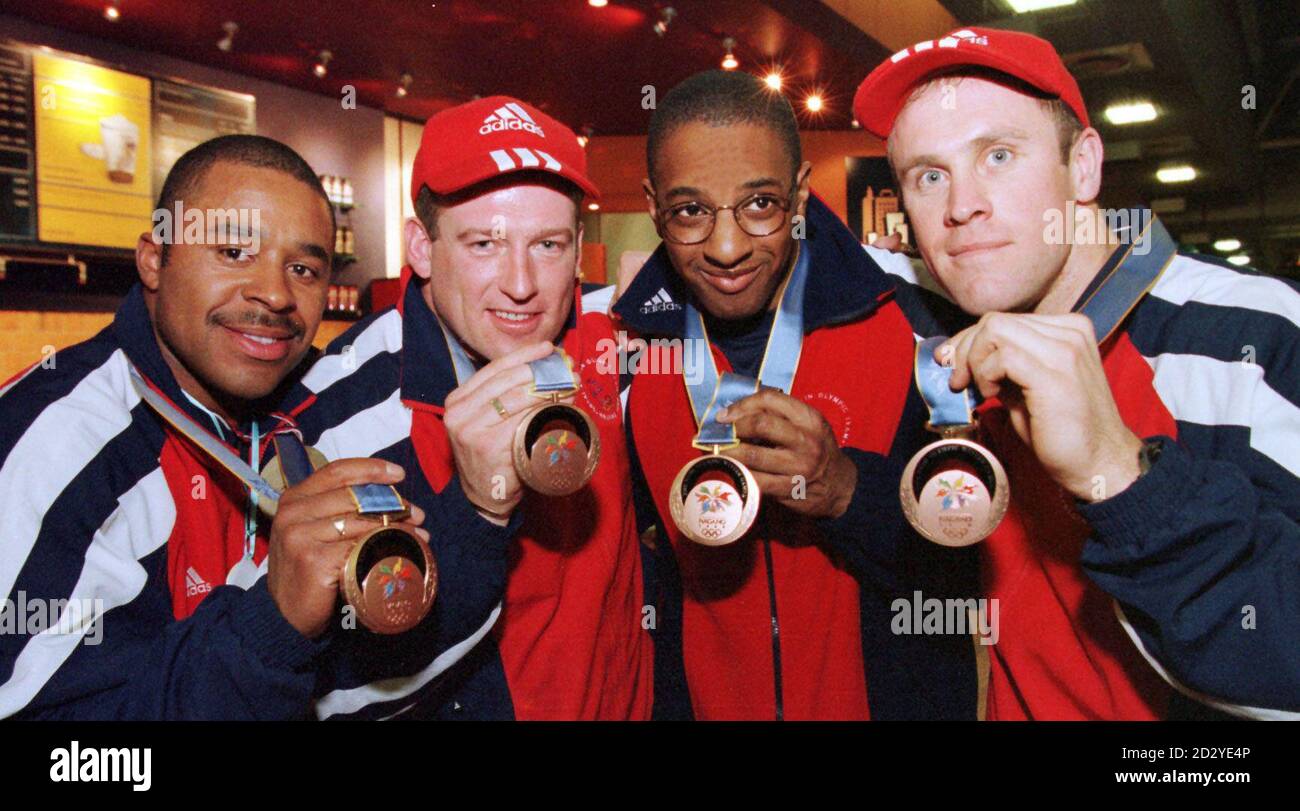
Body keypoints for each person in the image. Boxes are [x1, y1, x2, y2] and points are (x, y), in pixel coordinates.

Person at [853, 27, 1300, 719]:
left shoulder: (1253, 335)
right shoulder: (955, 327)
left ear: (1084, 167)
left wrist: (1121, 474)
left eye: (998, 155)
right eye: (928, 176)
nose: (961, 205)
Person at [0, 135, 507, 719]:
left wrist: (480, 512)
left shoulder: (300, 408)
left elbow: (351, 672)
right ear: (153, 258)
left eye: (303, 268)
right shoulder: (56, 444)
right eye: (234, 252)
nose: (274, 293)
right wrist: (273, 622)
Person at [613, 70, 977, 721]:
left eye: (760, 204)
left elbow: (975, 570)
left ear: (802, 194)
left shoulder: (925, 328)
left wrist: (847, 489)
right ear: (652, 205)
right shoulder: (628, 358)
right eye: (690, 211)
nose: (726, 249)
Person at [289, 97, 652, 720]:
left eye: (549, 245)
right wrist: (475, 513)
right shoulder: (338, 423)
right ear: (422, 249)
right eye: (484, 243)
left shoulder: (607, 335)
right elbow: (329, 686)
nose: (521, 283)